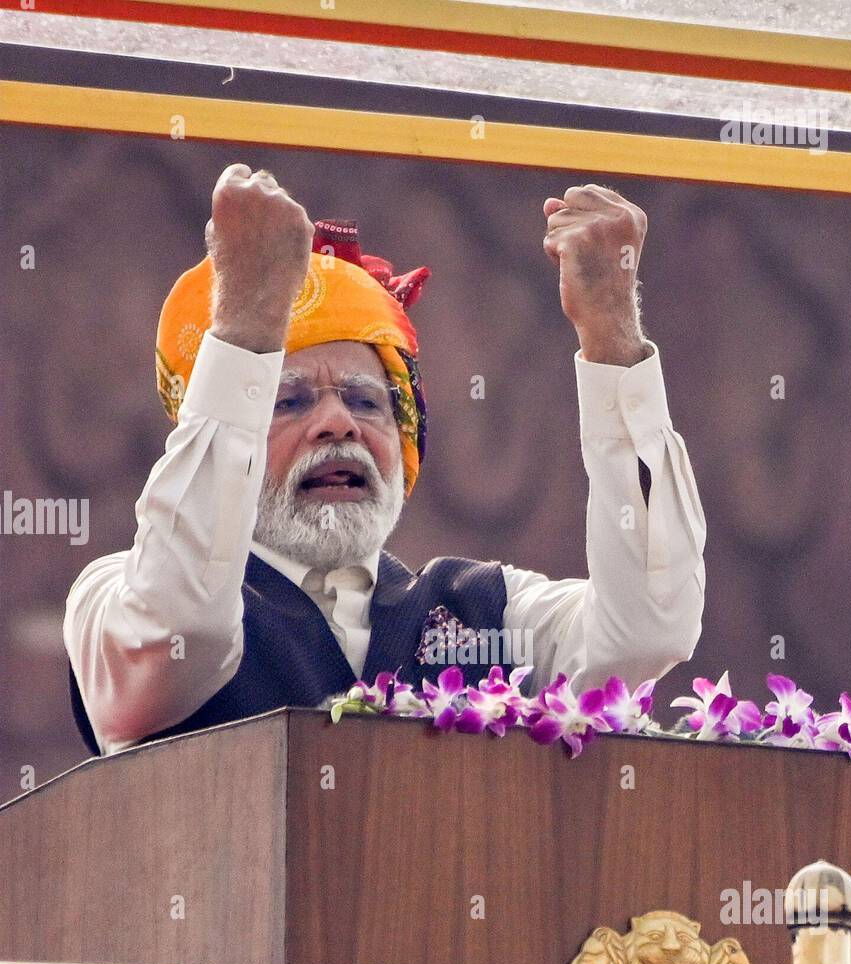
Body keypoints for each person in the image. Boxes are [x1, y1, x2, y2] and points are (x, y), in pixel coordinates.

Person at [64, 164, 706, 756]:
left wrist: (613, 336)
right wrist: (245, 324)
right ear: (229, 441)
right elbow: (185, 627)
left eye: (367, 402)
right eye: (286, 402)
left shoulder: (486, 612)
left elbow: (648, 628)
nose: (338, 422)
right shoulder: (115, 599)